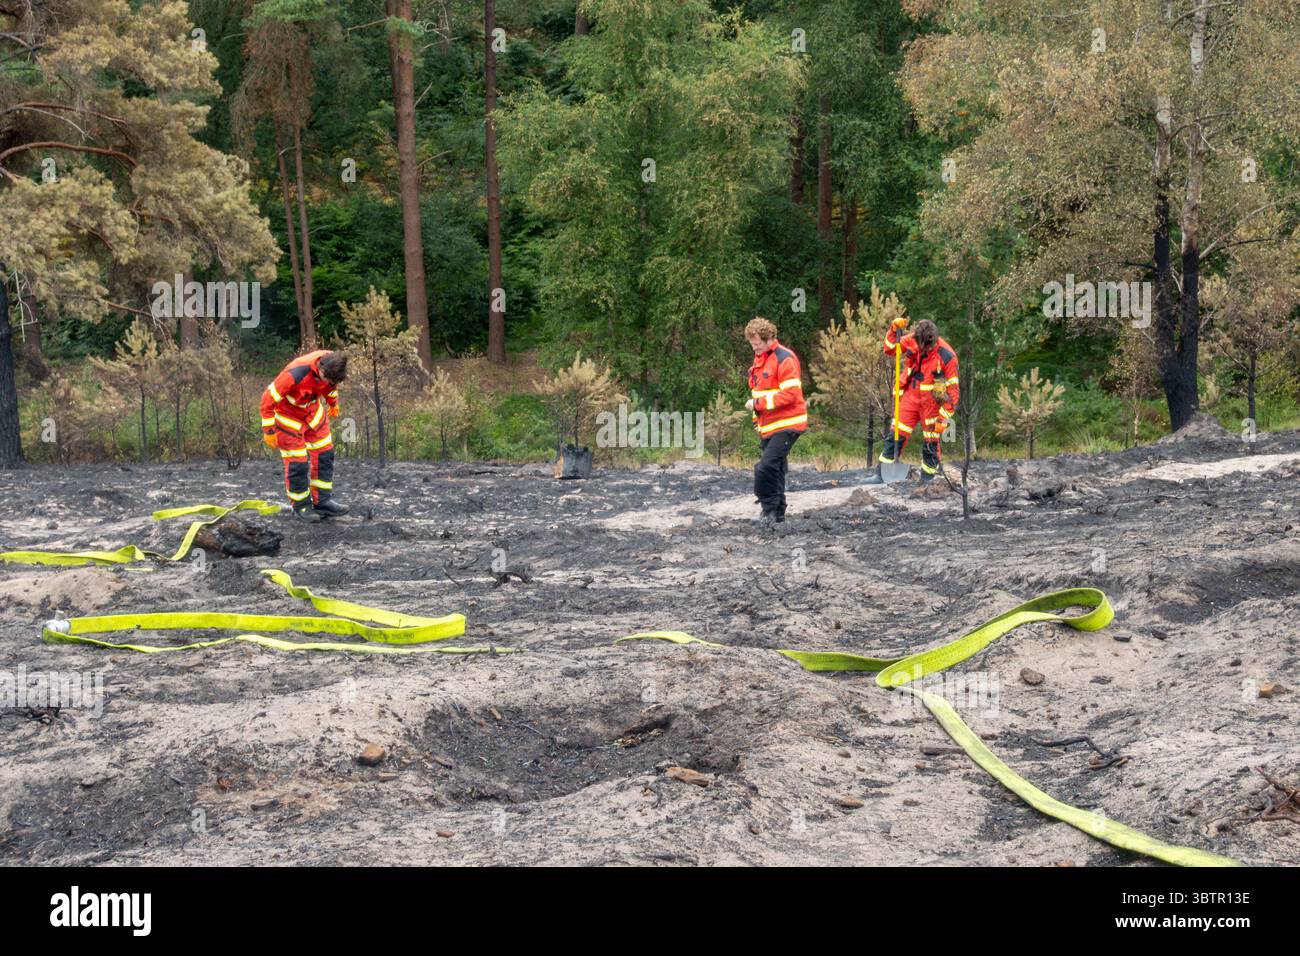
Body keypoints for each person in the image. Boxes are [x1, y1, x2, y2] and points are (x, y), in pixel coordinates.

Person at [865, 317, 959, 484]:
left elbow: (953, 392)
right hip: (911, 394)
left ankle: (928, 478)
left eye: (926, 347)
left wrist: (943, 418)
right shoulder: (912, 339)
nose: (923, 349)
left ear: (933, 340)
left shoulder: (947, 355)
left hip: (932, 403)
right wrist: (893, 330)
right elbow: (889, 348)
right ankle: (882, 474)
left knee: (931, 439)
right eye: (920, 345)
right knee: (896, 432)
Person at [260, 350, 350, 519]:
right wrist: (269, 430)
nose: (330, 383)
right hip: (288, 419)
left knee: (325, 455)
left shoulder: (333, 365)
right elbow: (267, 399)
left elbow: (330, 388)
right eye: (328, 379)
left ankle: (322, 501)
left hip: (313, 415)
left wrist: (333, 403)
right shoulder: (295, 373)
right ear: (321, 370)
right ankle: (300, 506)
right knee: (298, 464)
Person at [744, 317, 807, 523]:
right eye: (752, 344)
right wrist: (757, 419)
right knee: (777, 467)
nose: (755, 348)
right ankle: (777, 512)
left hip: (789, 423)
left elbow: (791, 395)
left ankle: (768, 508)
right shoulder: (759, 359)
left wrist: (758, 405)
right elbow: (757, 392)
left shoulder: (784, 358)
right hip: (768, 426)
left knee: (766, 466)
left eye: (757, 344)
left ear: (769, 338)